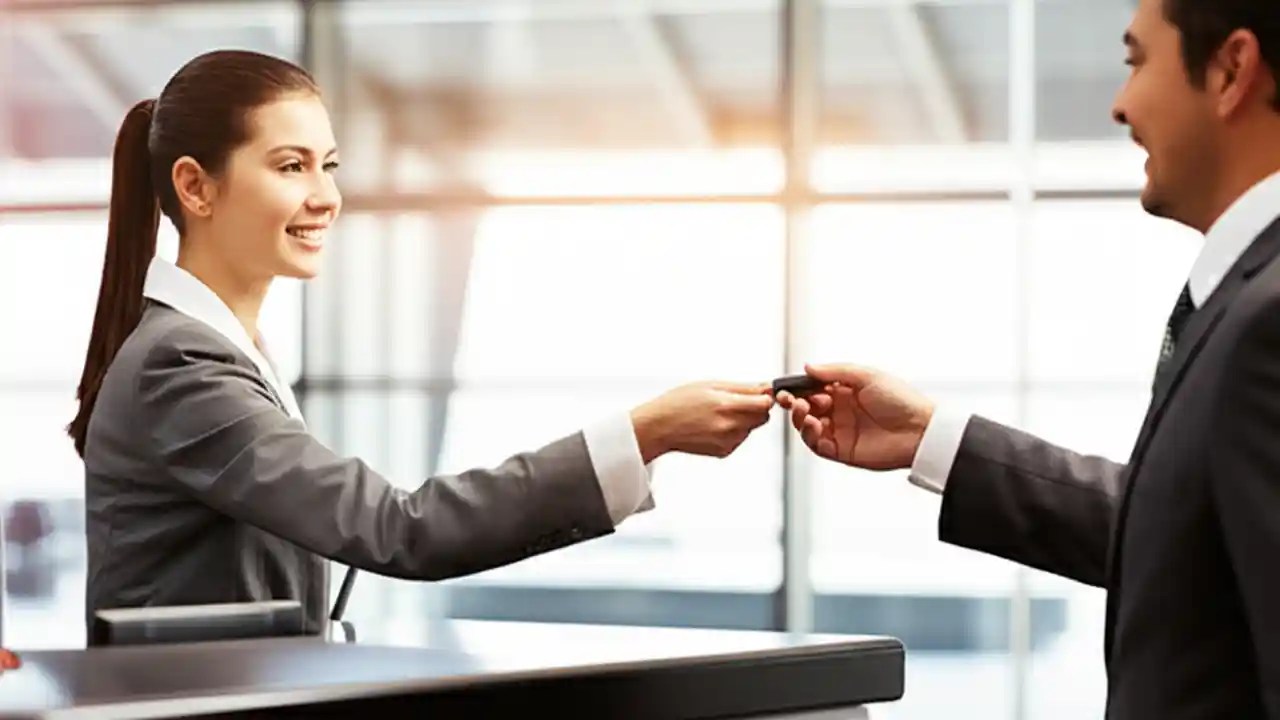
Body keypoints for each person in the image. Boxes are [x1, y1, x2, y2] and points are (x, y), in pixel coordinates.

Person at [69, 49, 774, 641]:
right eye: (291, 167)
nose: (325, 197)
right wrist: (643, 435)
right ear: (195, 186)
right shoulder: (181, 366)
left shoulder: (220, 347)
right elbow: (402, 530)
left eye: (330, 166)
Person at [779, 0, 1280, 717]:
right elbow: (1177, 536)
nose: (1119, 104)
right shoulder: (1245, 297)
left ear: (1231, 69)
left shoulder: (1269, 321)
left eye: (1137, 61)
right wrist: (930, 437)